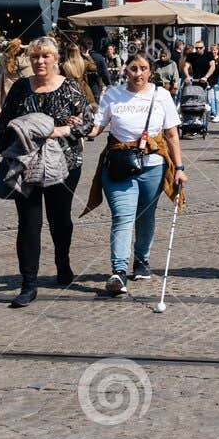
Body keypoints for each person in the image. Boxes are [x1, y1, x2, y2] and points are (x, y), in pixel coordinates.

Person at [0, 36, 94, 308]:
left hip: (65, 164)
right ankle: (28, 283)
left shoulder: (70, 88)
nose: (40, 62)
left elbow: (89, 123)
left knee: (59, 220)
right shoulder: (21, 88)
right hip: (25, 163)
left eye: (45, 57)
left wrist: (65, 129)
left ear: (56, 59)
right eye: (35, 57)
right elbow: (4, 126)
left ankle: (62, 263)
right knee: (29, 224)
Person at [84, 53, 185, 297]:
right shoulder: (113, 95)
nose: (138, 73)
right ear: (125, 70)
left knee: (146, 215)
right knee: (122, 216)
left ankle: (142, 260)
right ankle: (118, 271)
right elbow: (96, 128)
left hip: (153, 165)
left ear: (150, 71)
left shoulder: (161, 96)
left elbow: (171, 134)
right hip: (119, 165)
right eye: (133, 68)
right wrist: (83, 129)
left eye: (143, 68)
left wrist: (180, 169)